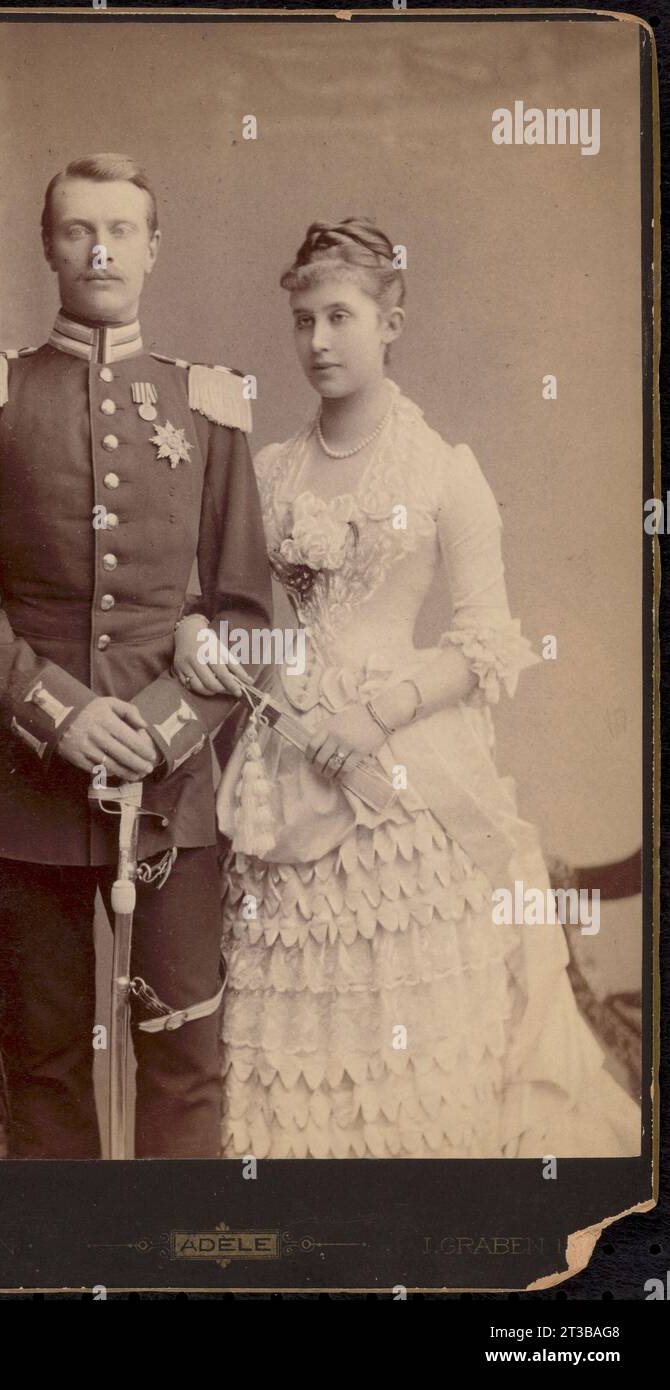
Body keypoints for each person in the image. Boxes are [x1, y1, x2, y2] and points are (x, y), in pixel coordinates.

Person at [173, 218, 642, 1160]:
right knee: (284, 1009)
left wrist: (377, 710)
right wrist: (195, 632)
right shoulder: (268, 473)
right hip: (287, 761)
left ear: (392, 321)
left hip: (402, 769)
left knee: (412, 1011)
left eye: (340, 317)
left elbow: (485, 642)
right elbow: (221, 603)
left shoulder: (443, 470)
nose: (317, 342)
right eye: (303, 320)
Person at [0, 153, 273, 1159]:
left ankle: (181, 1272)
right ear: (48, 247)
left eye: (121, 230)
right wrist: (59, 711)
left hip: (173, 804)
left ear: (155, 249)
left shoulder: (209, 406)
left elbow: (248, 618)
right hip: (27, 793)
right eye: (78, 230)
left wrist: (158, 732)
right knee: (47, 1067)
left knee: (187, 1064)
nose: (100, 249)